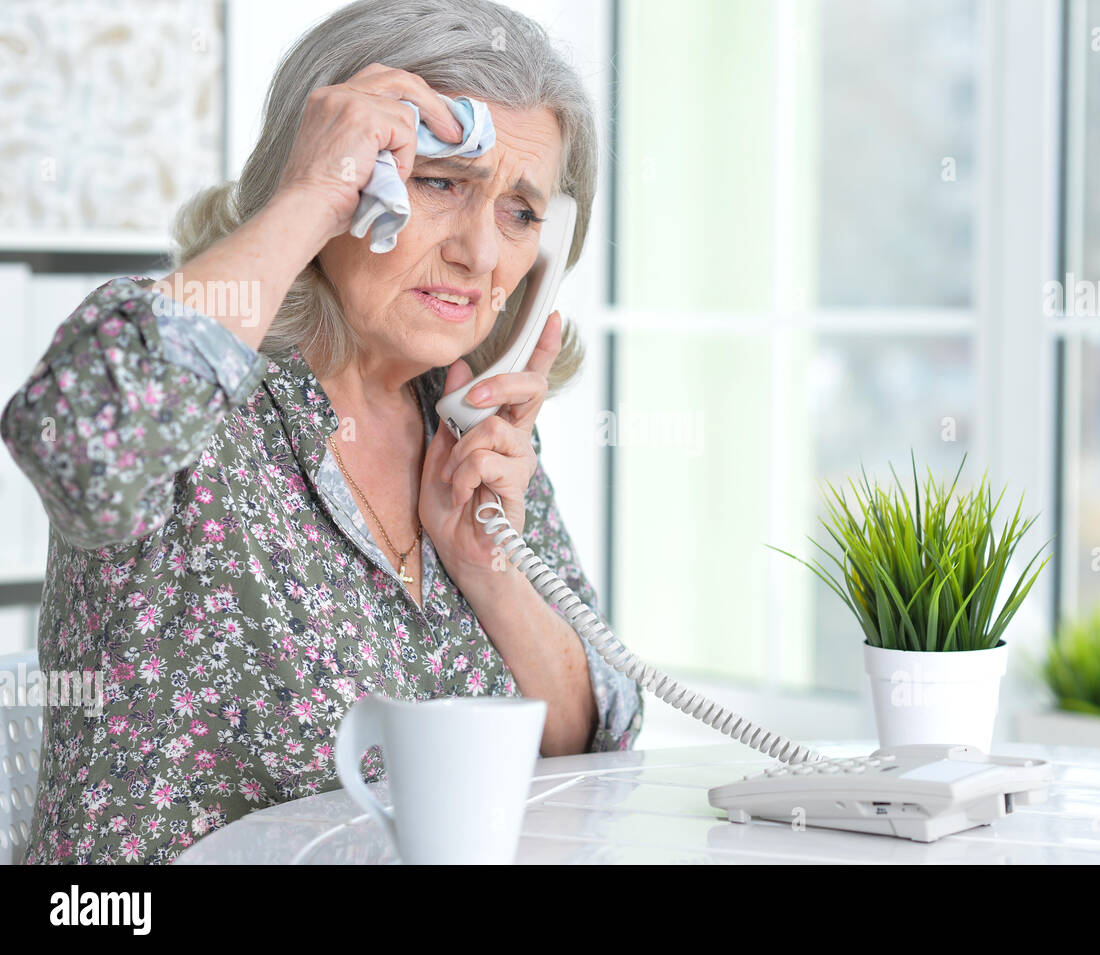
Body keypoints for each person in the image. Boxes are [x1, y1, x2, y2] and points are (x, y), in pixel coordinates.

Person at [3, 0, 642, 865]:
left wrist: (492, 576)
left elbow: (591, 752)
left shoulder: (467, 432)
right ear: (351, 177)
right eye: (441, 182)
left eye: (521, 213)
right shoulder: (200, 394)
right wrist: (306, 195)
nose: (482, 256)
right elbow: (77, 445)